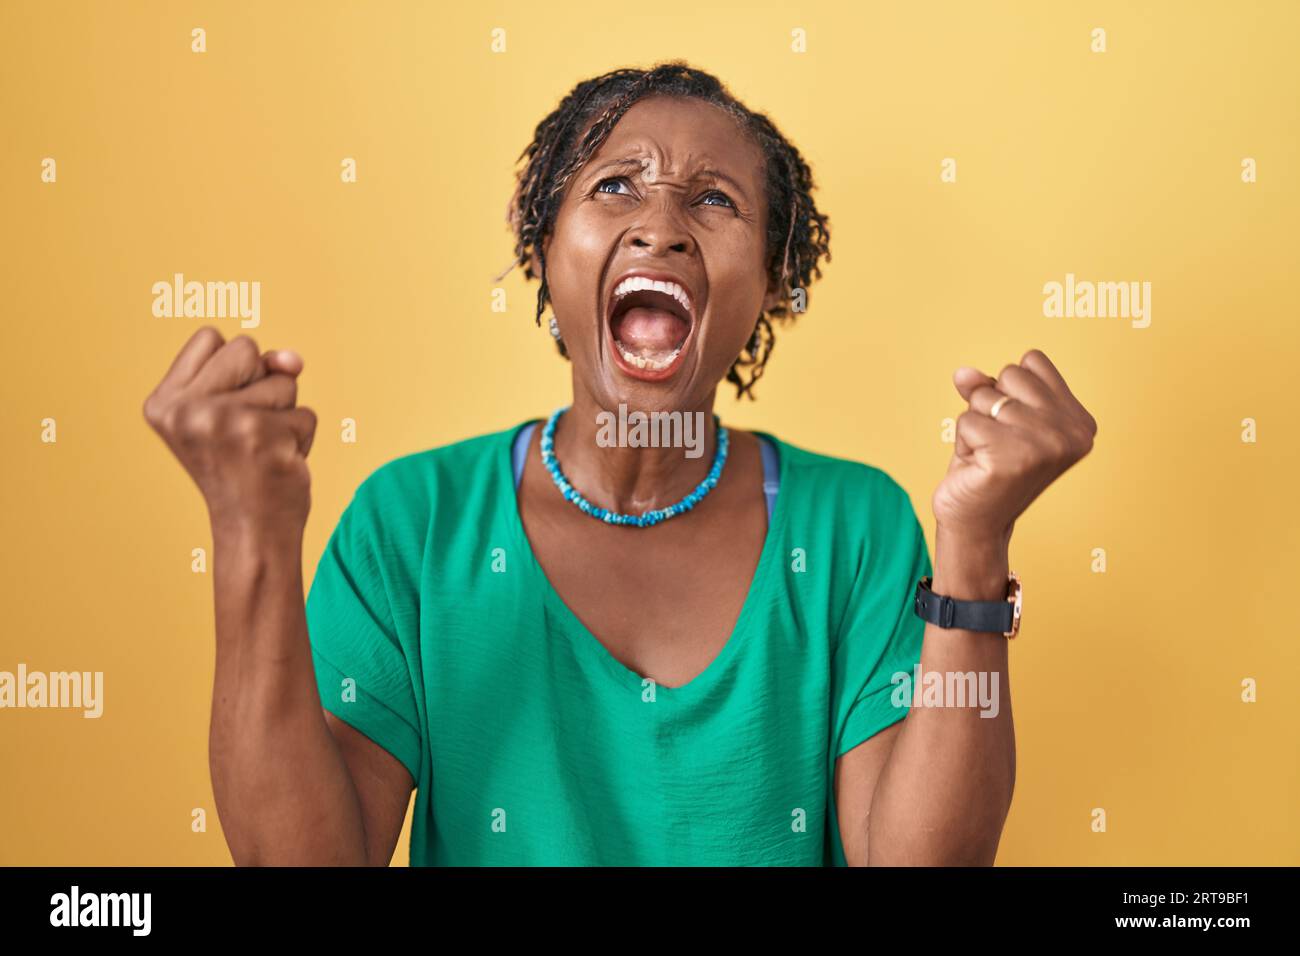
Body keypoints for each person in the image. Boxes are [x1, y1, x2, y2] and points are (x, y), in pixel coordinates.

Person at [142, 61, 1096, 866]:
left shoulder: (852, 528)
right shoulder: (413, 523)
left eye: (715, 202)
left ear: (770, 283)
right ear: (542, 240)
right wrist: (249, 534)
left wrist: (974, 547)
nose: (663, 227)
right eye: (613, 187)